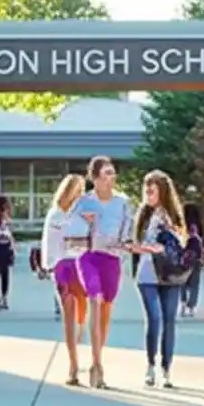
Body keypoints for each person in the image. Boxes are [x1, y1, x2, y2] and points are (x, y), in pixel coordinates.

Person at [73, 155, 135, 390]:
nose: (111, 177)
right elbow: (73, 229)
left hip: (112, 259)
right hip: (89, 257)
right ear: (95, 178)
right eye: (106, 173)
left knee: (106, 308)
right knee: (95, 300)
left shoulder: (123, 202)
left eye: (112, 172)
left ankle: (98, 353)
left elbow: (128, 231)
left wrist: (128, 243)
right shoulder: (85, 202)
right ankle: (96, 365)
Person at [131, 170, 188, 389]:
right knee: (154, 318)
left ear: (161, 192)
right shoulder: (142, 215)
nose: (147, 194)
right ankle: (150, 365)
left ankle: (166, 368)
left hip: (170, 274)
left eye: (151, 190)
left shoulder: (172, 216)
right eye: (146, 190)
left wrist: (169, 236)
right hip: (147, 274)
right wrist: (141, 247)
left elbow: (181, 244)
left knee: (169, 320)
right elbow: (133, 242)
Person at [40, 173, 91, 386]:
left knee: (82, 316)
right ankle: (73, 365)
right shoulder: (56, 215)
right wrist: (50, 267)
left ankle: (79, 353)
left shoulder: (85, 213)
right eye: (76, 191)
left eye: (82, 191)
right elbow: (49, 243)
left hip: (83, 266)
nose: (79, 195)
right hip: (63, 266)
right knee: (68, 315)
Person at [180, 203, 204, 318]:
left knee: (182, 280)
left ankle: (183, 302)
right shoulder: (199, 226)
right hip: (196, 256)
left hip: (183, 255)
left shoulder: (182, 225)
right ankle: (191, 306)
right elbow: (202, 242)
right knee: (194, 283)